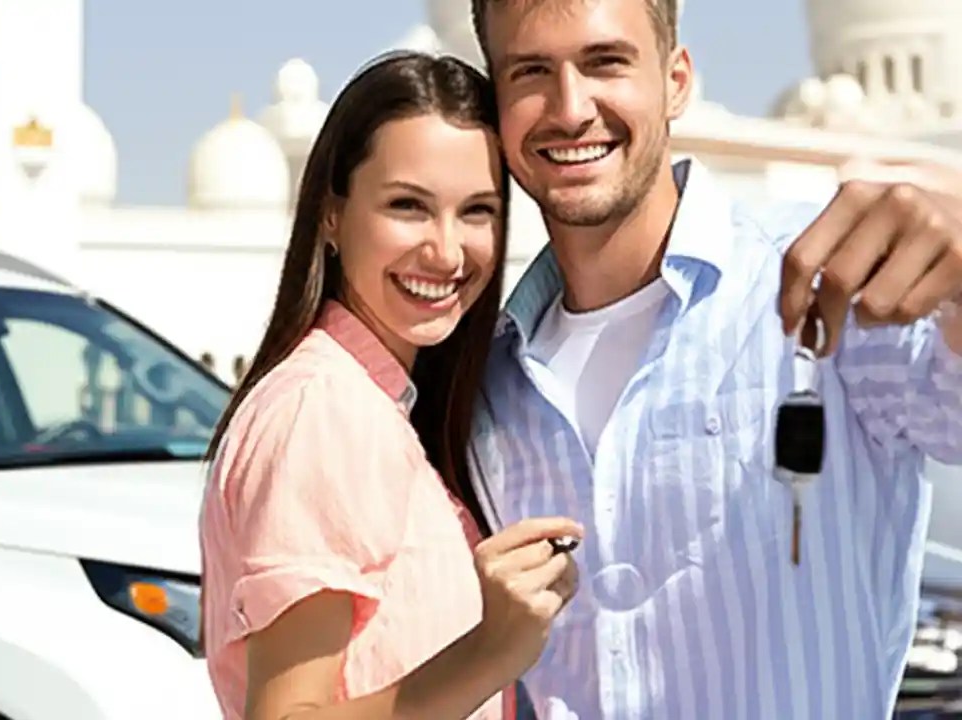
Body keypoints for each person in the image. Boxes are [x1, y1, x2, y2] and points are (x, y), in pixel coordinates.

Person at [464, 0, 962, 718]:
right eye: (531, 72)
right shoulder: (488, 382)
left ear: (676, 80)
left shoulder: (830, 278)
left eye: (605, 62)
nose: (570, 108)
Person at [199, 51, 583, 720]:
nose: (446, 251)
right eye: (408, 206)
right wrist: (493, 650)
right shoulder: (322, 410)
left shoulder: (383, 408)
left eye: (476, 211)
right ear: (330, 214)